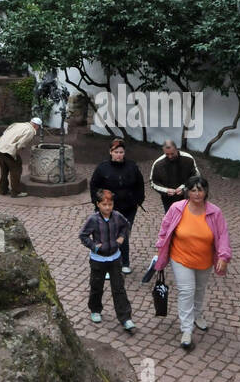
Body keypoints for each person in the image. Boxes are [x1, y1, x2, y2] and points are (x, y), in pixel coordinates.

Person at [154, 174, 231, 352]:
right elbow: (165, 229)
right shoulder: (177, 208)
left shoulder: (215, 212)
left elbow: (223, 235)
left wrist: (223, 256)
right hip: (180, 258)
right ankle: (186, 330)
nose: (197, 194)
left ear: (206, 192)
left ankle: (197, 314)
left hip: (204, 260)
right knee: (186, 291)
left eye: (200, 190)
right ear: (188, 192)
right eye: (193, 190)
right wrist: (160, 248)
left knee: (199, 289)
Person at [79, 189, 136, 333]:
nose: (107, 207)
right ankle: (95, 309)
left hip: (115, 258)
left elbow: (126, 225)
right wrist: (94, 246)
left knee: (119, 288)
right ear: (98, 204)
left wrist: (122, 237)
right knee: (96, 286)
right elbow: (83, 235)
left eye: (110, 204)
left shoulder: (117, 216)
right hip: (98, 260)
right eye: (104, 204)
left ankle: (125, 317)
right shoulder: (93, 219)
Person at [89, 139, 145, 274]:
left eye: (121, 152)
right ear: (110, 152)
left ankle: (125, 262)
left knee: (123, 235)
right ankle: (107, 266)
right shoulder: (103, 168)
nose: (119, 155)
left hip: (128, 208)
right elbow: (94, 185)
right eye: (116, 152)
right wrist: (97, 203)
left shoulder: (132, 166)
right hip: (108, 209)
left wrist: (138, 200)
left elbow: (140, 184)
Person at [0, 116, 43, 197]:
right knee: (16, 169)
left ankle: (3, 190)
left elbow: (6, 131)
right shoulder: (31, 131)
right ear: (36, 125)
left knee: (4, 170)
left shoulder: (19, 124)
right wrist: (16, 152)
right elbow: (20, 144)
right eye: (38, 127)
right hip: (8, 150)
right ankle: (16, 192)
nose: (38, 129)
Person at [150, 139, 201, 213]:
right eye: (167, 154)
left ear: (177, 149)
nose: (170, 156)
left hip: (187, 196)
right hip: (168, 199)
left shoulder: (188, 159)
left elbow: (196, 176)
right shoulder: (158, 164)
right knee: (171, 221)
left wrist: (184, 188)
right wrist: (166, 190)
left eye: (172, 153)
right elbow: (154, 182)